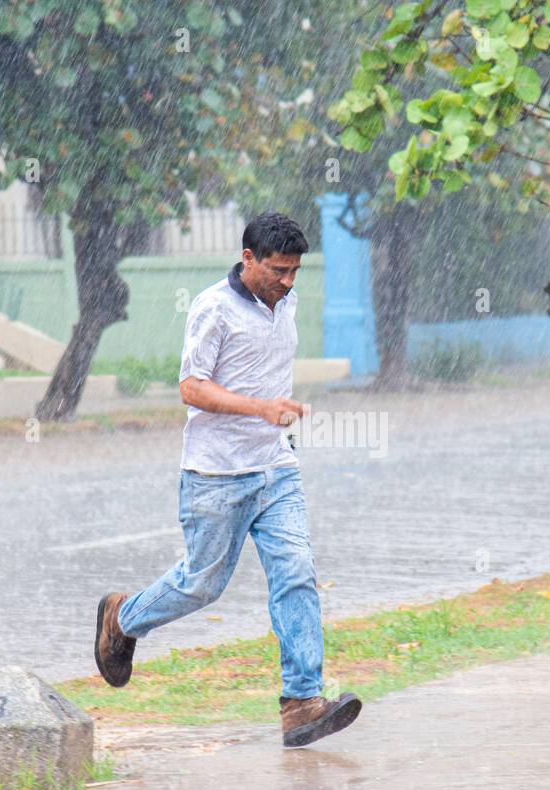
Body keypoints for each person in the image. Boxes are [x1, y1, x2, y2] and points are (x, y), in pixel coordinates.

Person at [93, 211, 362, 748]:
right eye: (279, 270)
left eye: (295, 272)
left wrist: (275, 423)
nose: (288, 282)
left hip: (276, 469)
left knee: (297, 573)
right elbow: (191, 389)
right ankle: (123, 616)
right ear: (248, 259)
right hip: (216, 475)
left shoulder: (286, 302)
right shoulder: (212, 308)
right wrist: (260, 409)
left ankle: (301, 702)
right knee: (202, 585)